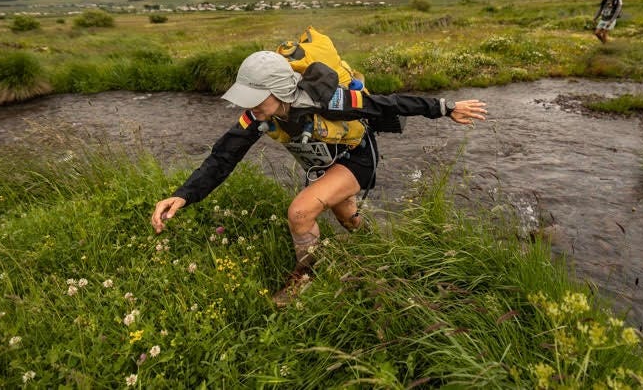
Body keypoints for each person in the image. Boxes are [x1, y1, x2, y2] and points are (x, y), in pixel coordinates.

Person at [151, 50, 488, 306]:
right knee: (348, 220)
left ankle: (306, 276)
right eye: (246, 99)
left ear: (280, 90)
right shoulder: (257, 117)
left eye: (256, 99)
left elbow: (387, 103)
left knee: (300, 212)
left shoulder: (329, 101)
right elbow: (223, 156)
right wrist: (184, 194)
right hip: (324, 167)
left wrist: (444, 107)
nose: (249, 107)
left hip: (357, 159)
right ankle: (378, 244)